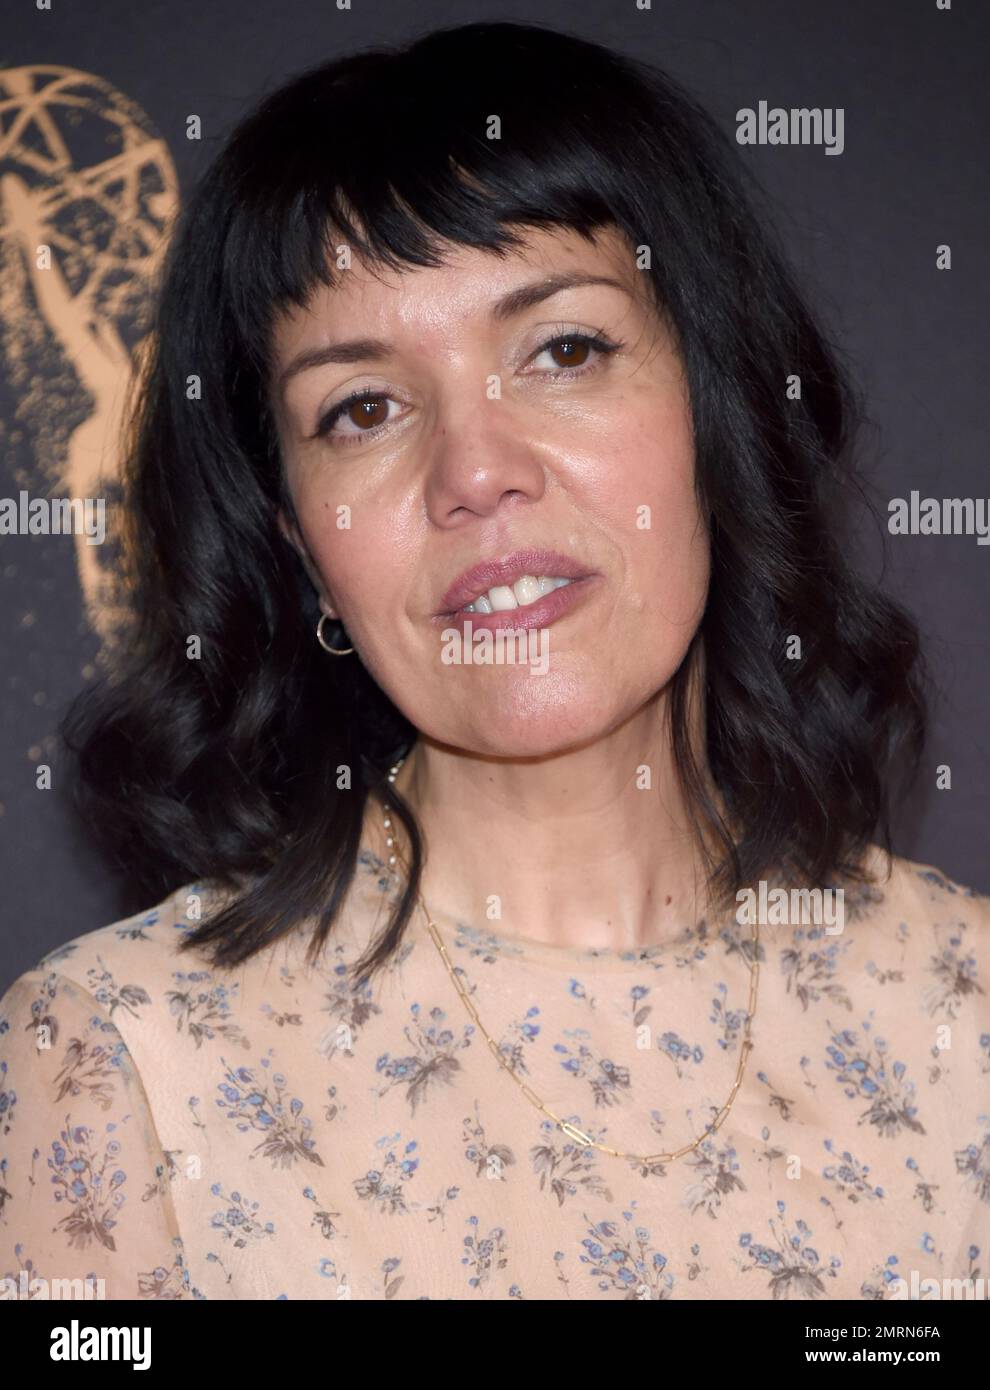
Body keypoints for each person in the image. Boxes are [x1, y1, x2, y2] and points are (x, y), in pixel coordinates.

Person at [1, 21, 987, 1303]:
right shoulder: (113, 1067)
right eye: (362, 407)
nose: (475, 472)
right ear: (298, 539)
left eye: (563, 349)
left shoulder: (964, 1011)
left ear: (719, 404)